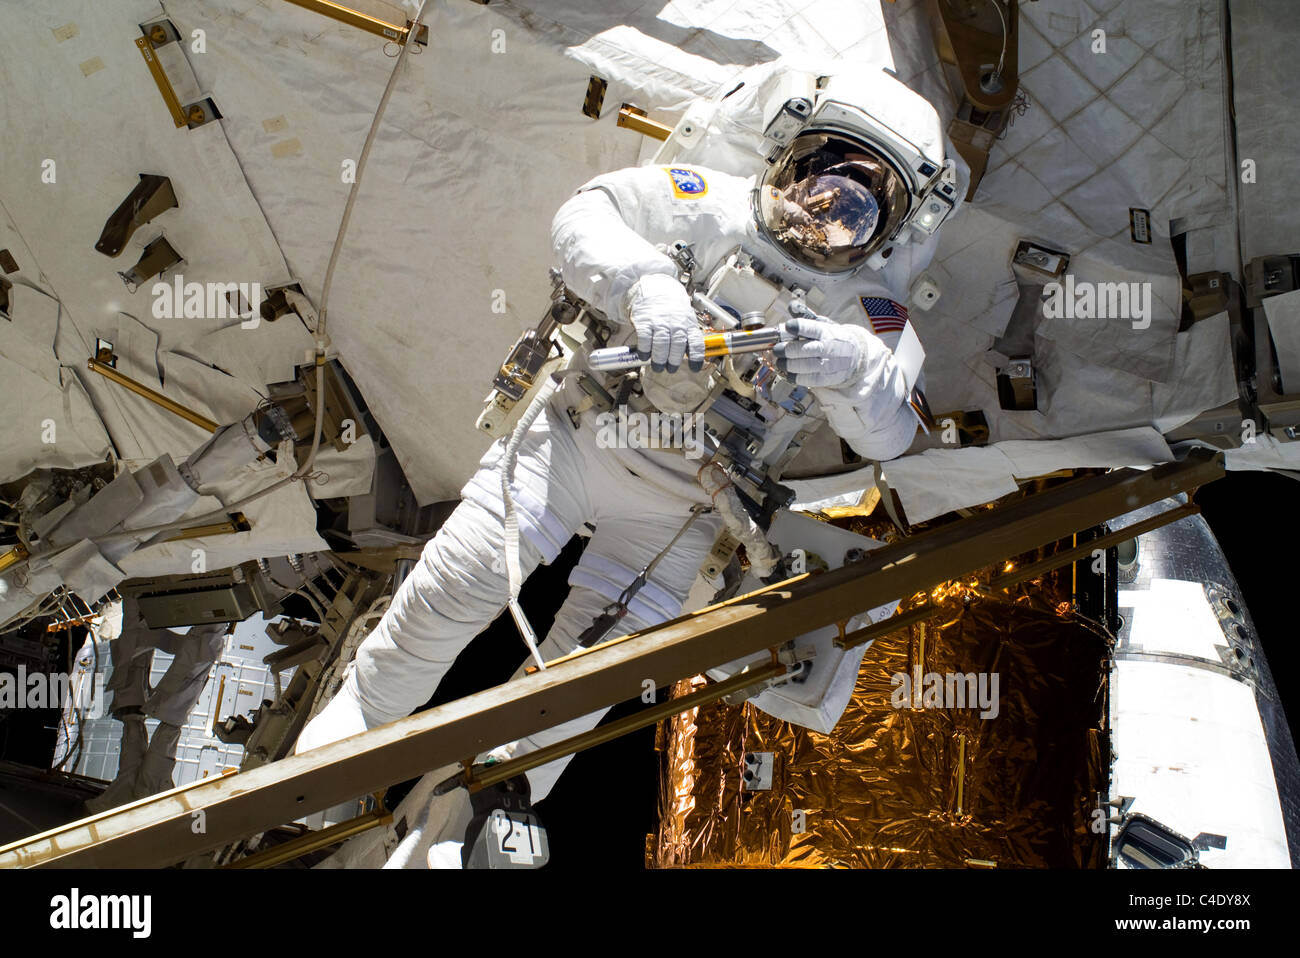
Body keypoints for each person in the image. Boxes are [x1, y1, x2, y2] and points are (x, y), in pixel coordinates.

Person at [296, 66, 964, 807]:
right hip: (581, 434)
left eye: (861, 199)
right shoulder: (709, 201)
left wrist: (848, 365)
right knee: (457, 588)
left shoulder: (871, 310)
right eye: (823, 173)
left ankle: (468, 816)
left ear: (895, 223)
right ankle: (354, 729)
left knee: (584, 681)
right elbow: (587, 213)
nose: (829, 203)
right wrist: (645, 284)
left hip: (683, 507)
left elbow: (891, 434)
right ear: (789, 153)